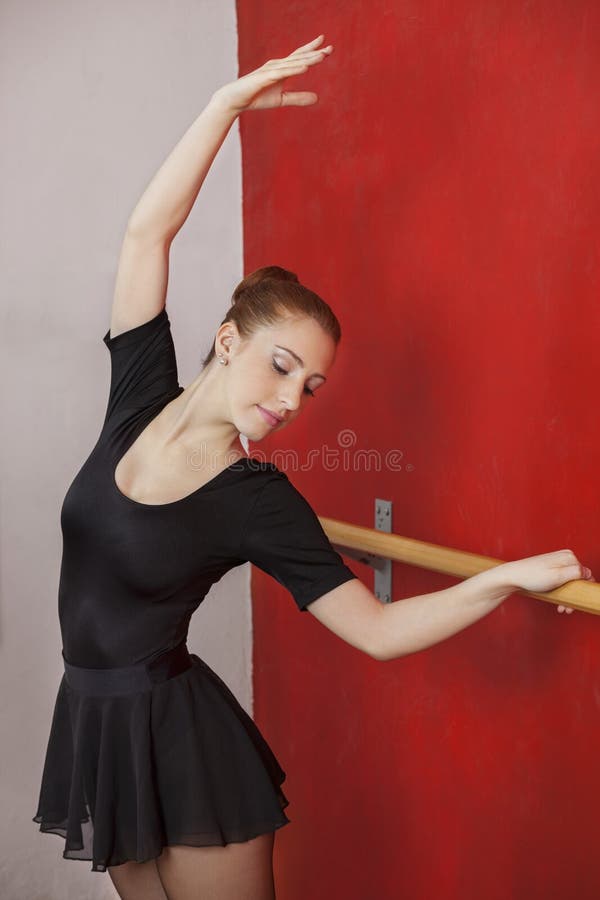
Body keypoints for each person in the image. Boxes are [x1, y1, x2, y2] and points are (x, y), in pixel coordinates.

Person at [32, 33, 592, 900]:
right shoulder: (138, 395)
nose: (294, 400)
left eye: (313, 386)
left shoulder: (256, 500)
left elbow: (375, 632)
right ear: (227, 341)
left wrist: (502, 581)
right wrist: (224, 106)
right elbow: (150, 232)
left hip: (185, 754)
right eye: (282, 366)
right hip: (97, 730)